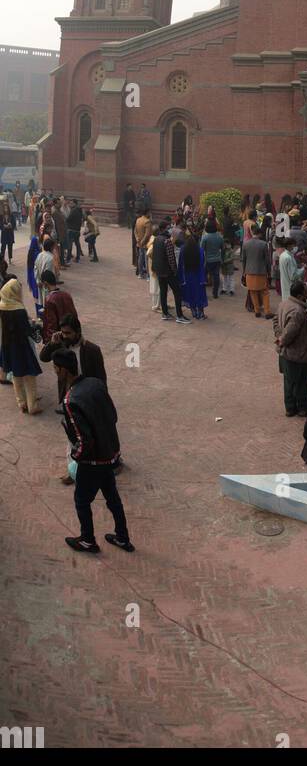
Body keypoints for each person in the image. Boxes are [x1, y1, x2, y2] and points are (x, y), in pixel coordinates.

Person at [62, 354, 134, 554]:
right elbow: (113, 415)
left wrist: (76, 457)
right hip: (109, 454)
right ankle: (122, 537)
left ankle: (87, 539)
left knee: (82, 501)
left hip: (92, 461)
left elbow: (83, 440)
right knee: (113, 498)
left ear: (61, 370)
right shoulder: (96, 384)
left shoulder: (70, 400)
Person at [275, 278, 307, 418]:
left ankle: (290, 407)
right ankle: (303, 407)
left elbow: (276, 321)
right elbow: (289, 333)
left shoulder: (284, 304)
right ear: (299, 296)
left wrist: (278, 336)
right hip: (298, 353)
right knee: (301, 382)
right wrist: (282, 339)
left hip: (288, 353)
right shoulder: (298, 311)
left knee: (289, 381)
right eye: (306, 294)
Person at [0, 278, 43, 413]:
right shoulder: (19, 310)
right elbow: (27, 331)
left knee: (16, 375)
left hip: (7, 346)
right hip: (22, 346)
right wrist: (35, 324)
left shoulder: (2, 307)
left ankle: (22, 403)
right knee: (30, 376)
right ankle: (32, 406)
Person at [151, 221, 189, 323]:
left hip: (159, 270)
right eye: (168, 228)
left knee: (163, 291)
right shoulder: (167, 241)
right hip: (168, 271)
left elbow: (155, 255)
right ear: (165, 228)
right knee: (177, 292)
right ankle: (179, 316)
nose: (170, 229)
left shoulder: (156, 239)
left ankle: (165, 313)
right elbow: (171, 259)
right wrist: (175, 271)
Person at [39, 270, 77, 344]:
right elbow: (74, 315)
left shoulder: (49, 300)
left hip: (58, 338)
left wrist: (49, 342)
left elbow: (51, 324)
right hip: (71, 335)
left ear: (45, 283)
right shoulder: (67, 295)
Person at [242, 224, 271, 318]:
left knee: (253, 292)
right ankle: (267, 312)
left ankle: (257, 310)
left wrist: (244, 272)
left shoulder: (246, 244)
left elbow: (244, 259)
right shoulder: (263, 244)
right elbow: (267, 260)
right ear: (259, 234)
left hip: (249, 271)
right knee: (265, 292)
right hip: (261, 271)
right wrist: (269, 272)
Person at [178, 233, 208, 319]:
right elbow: (202, 264)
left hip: (187, 277)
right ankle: (201, 313)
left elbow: (180, 264)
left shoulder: (183, 249)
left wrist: (180, 277)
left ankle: (194, 312)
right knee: (199, 294)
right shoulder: (200, 250)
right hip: (198, 276)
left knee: (190, 294)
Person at [201, 218, 224, 299]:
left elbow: (201, 249)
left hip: (207, 260)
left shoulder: (205, 237)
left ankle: (202, 292)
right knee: (216, 276)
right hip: (217, 259)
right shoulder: (220, 237)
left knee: (204, 276)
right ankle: (215, 293)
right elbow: (222, 248)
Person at [66, 198, 83, 263]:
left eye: (72, 203)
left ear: (75, 204)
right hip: (77, 230)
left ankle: (68, 259)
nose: (70, 204)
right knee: (77, 243)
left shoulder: (73, 210)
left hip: (71, 229)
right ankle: (78, 258)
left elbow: (68, 219)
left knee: (70, 244)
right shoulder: (80, 210)